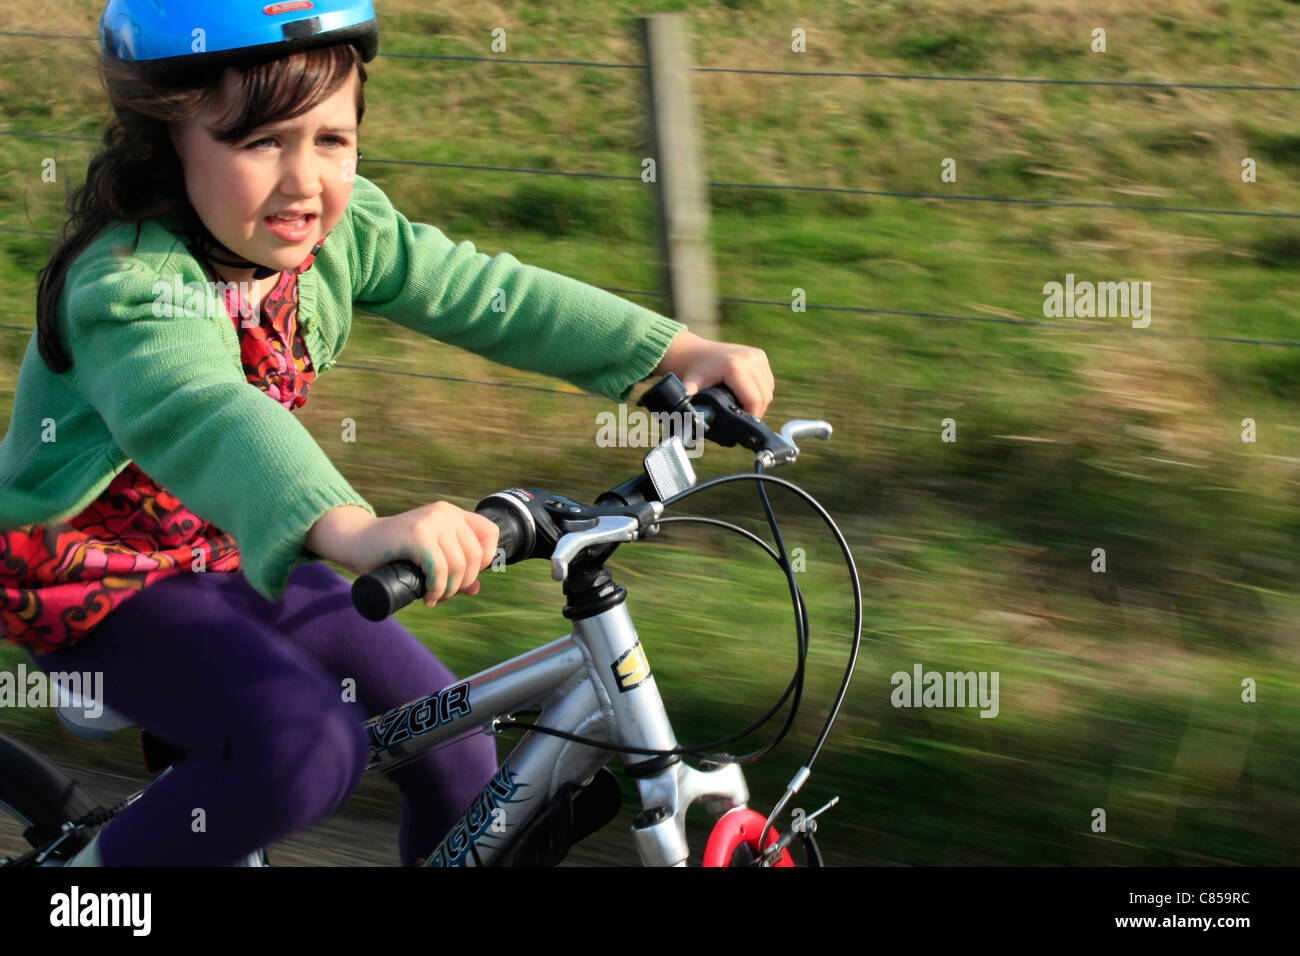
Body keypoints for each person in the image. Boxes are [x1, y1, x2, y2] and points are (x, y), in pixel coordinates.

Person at [0, 0, 774, 866]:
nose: (305, 181)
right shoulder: (130, 287)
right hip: (93, 575)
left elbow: (487, 293)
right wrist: (356, 528)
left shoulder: (337, 233)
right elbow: (208, 412)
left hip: (229, 548)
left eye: (331, 139)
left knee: (453, 738)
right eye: (260, 142)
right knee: (304, 750)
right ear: (164, 140)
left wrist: (673, 351)